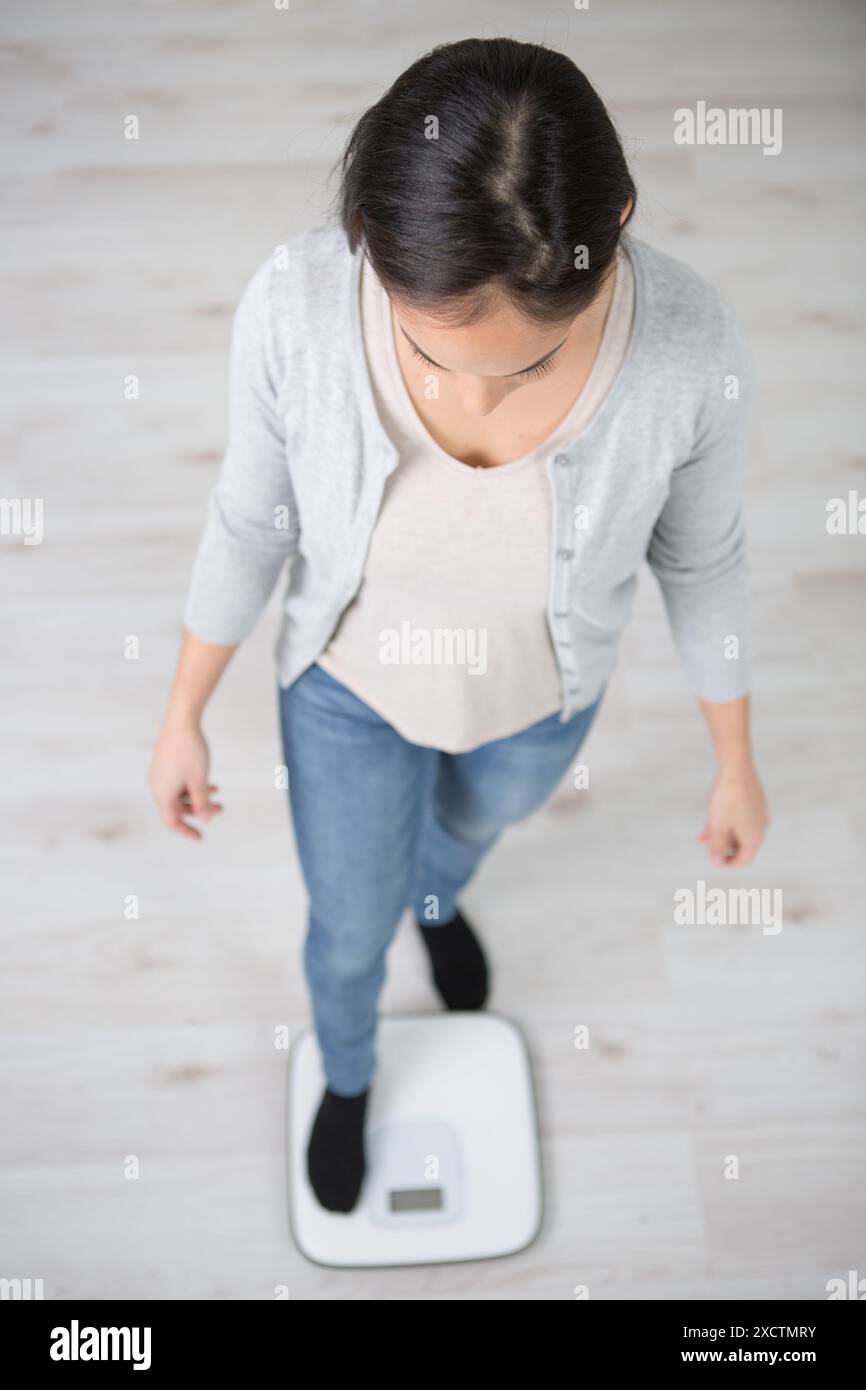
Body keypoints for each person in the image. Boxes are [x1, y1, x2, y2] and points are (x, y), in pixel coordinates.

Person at [149, 37, 769, 1215]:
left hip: (537, 705)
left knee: (459, 839)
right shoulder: (296, 304)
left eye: (531, 361)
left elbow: (704, 557)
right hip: (346, 692)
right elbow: (248, 518)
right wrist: (181, 712)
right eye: (431, 352)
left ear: (617, 222)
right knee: (344, 928)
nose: (475, 402)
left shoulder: (690, 350)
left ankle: (433, 897)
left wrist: (733, 759)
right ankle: (346, 1071)